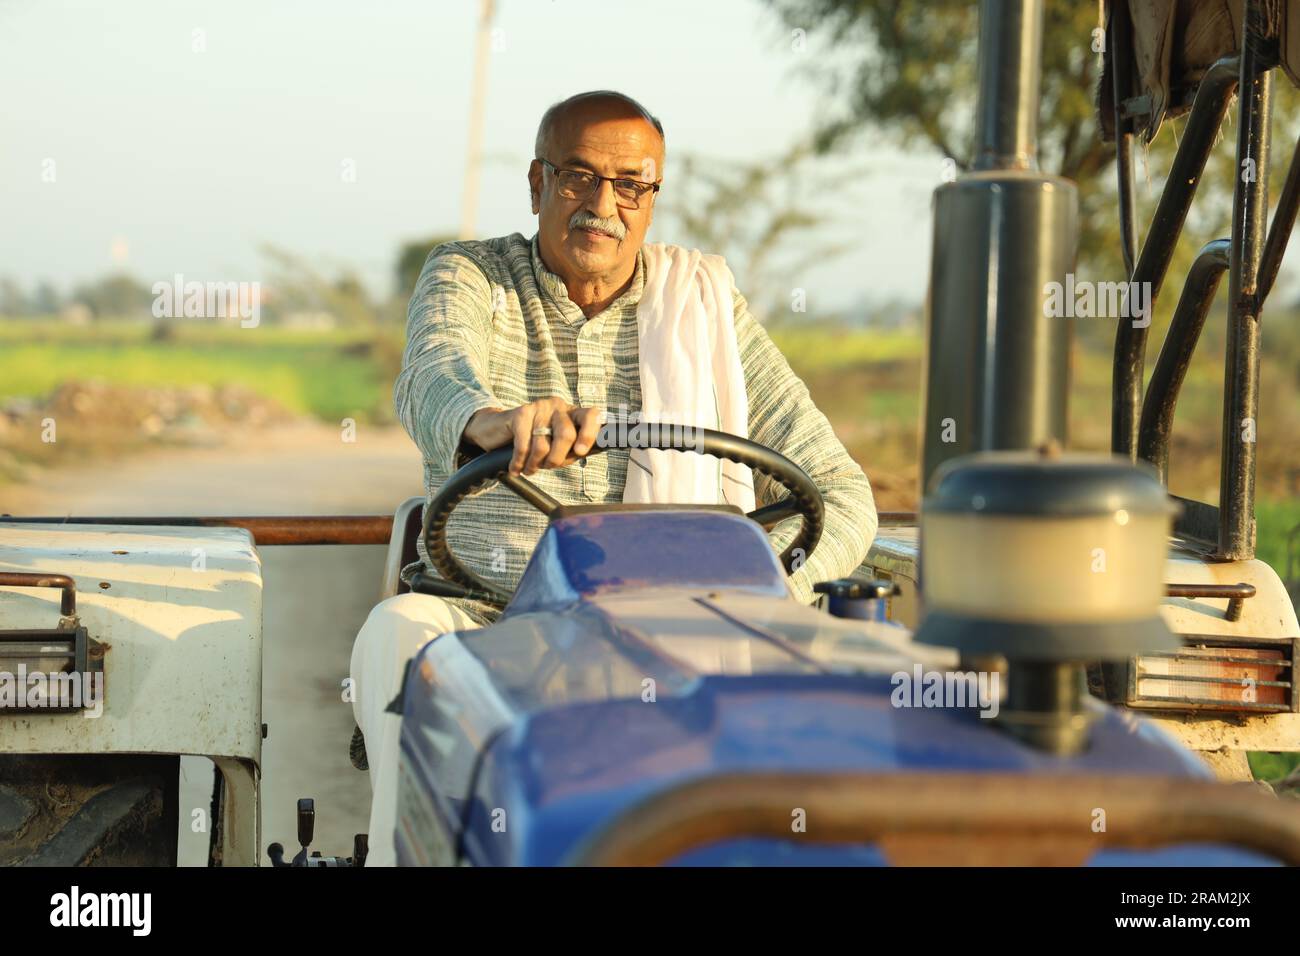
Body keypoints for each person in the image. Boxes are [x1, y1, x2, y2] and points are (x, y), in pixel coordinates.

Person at [350, 90, 877, 864]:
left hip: (671, 633)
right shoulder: (472, 276)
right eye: (578, 178)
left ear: (652, 199)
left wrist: (767, 594)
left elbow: (840, 491)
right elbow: (430, 375)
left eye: (631, 184)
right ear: (537, 185)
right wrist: (487, 418)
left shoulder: (704, 304)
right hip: (485, 622)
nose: (604, 204)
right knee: (394, 634)